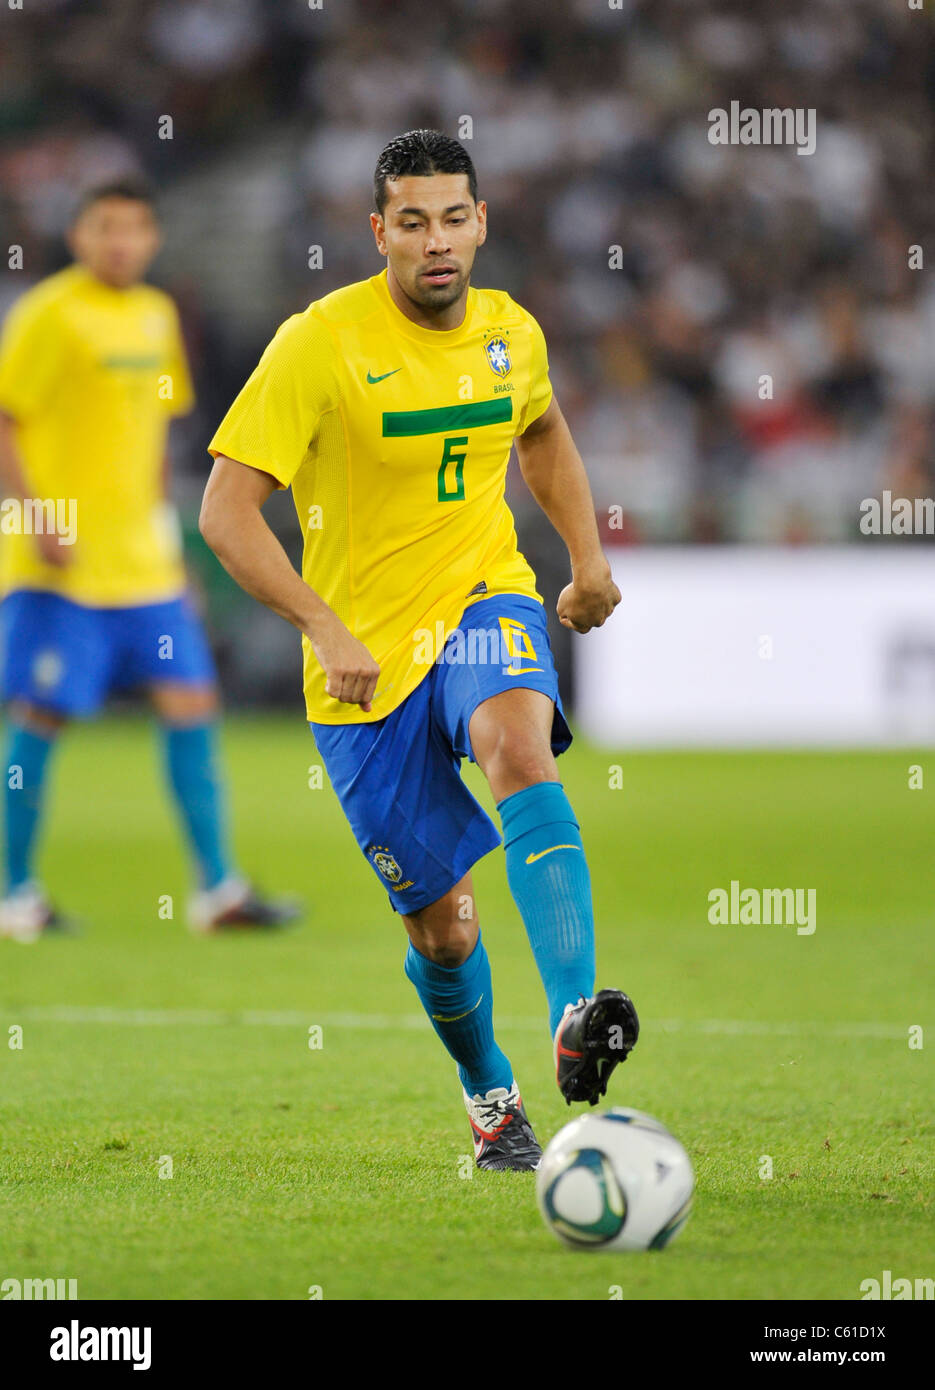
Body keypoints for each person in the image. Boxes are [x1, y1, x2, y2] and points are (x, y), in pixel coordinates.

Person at [200, 131, 638, 1170]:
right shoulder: (318, 342)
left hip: (481, 598)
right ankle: (490, 1095)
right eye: (411, 221)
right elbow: (225, 511)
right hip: (359, 666)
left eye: (453, 218)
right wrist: (320, 621)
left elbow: (540, 432)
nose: (435, 241)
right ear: (377, 231)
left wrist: (583, 560)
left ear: (481, 223)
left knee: (517, 745)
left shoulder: (510, 332)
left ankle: (576, 1011)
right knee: (442, 931)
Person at [0, 181, 298, 940]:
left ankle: (217, 890)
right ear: (78, 235)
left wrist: (174, 544)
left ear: (154, 239)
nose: (121, 242)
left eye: (135, 229)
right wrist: (37, 521)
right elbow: (6, 422)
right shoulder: (47, 314)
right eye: (106, 228)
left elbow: (158, 438)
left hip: (144, 565)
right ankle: (16, 894)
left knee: (192, 703)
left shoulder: (158, 316)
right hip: (58, 565)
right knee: (42, 714)